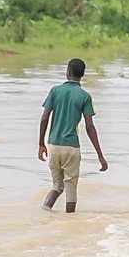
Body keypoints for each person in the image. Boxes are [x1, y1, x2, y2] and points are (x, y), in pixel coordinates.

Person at [38, 58, 108, 214]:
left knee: (57, 186)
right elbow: (90, 127)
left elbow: (44, 118)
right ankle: (69, 221)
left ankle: (44, 213)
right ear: (82, 75)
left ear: (67, 72)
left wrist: (41, 143)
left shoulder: (55, 91)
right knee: (70, 189)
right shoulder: (84, 96)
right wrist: (100, 155)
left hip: (53, 145)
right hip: (71, 147)